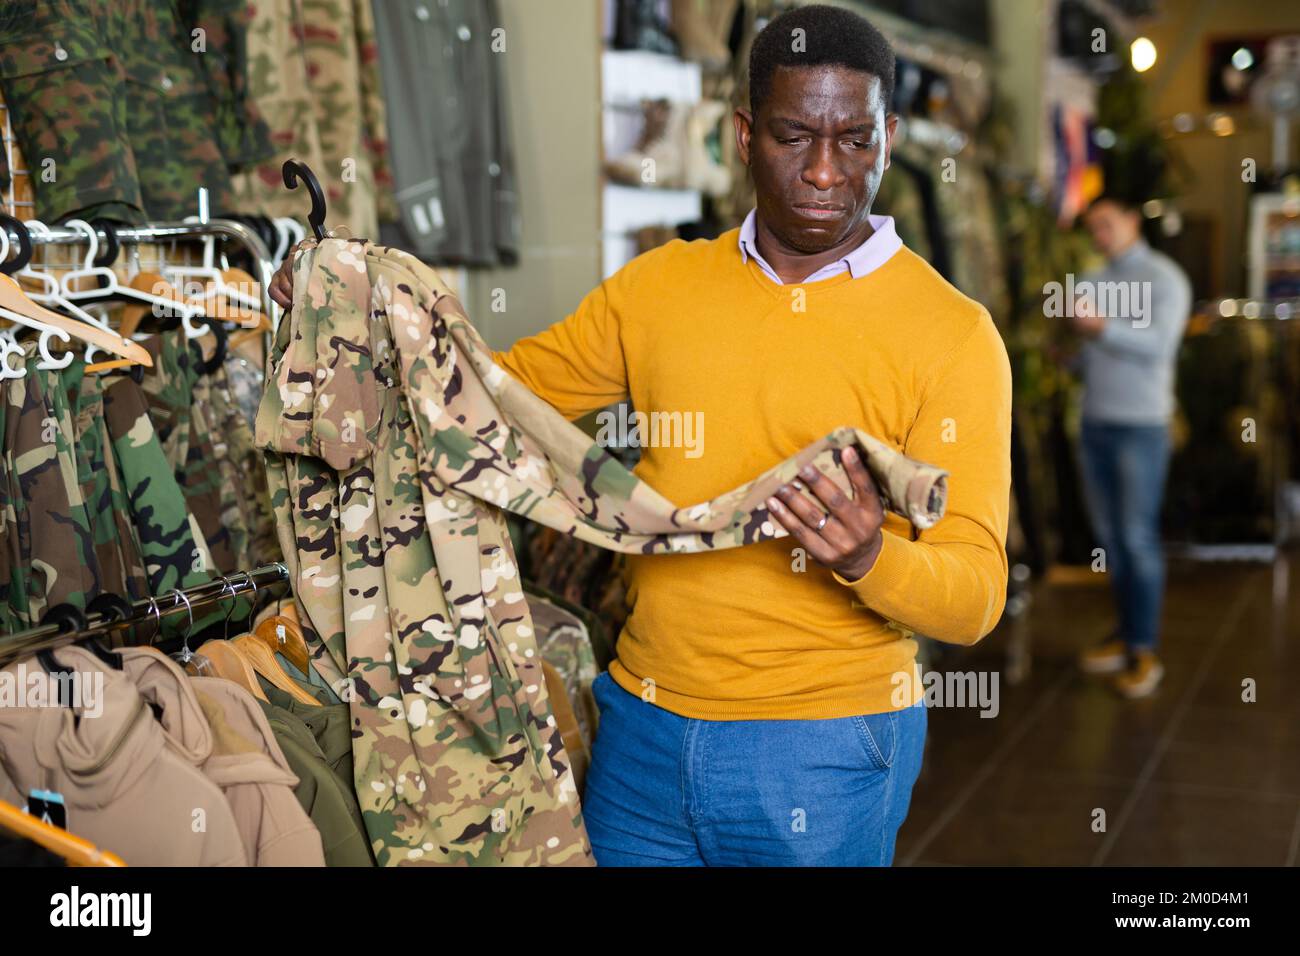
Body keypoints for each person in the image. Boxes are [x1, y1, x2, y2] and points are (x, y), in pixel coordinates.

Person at [269, 4, 1011, 866]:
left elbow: (975, 595)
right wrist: (348, 305)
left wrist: (865, 558)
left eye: (854, 140)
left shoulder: (951, 335)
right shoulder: (661, 288)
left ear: (888, 137)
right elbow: (485, 393)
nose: (822, 170)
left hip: (823, 747)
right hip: (643, 732)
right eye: (793, 135)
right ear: (742, 135)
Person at [1071, 194, 1191, 698]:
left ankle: (1144, 649)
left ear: (1131, 221)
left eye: (1107, 223)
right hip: (1095, 422)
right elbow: (1086, 358)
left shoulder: (1165, 279)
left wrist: (1102, 328)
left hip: (1142, 427)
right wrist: (1069, 351)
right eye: (1093, 227)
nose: (1100, 235)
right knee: (1111, 540)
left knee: (1137, 537)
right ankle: (1124, 636)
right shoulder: (1093, 281)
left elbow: (1161, 345)